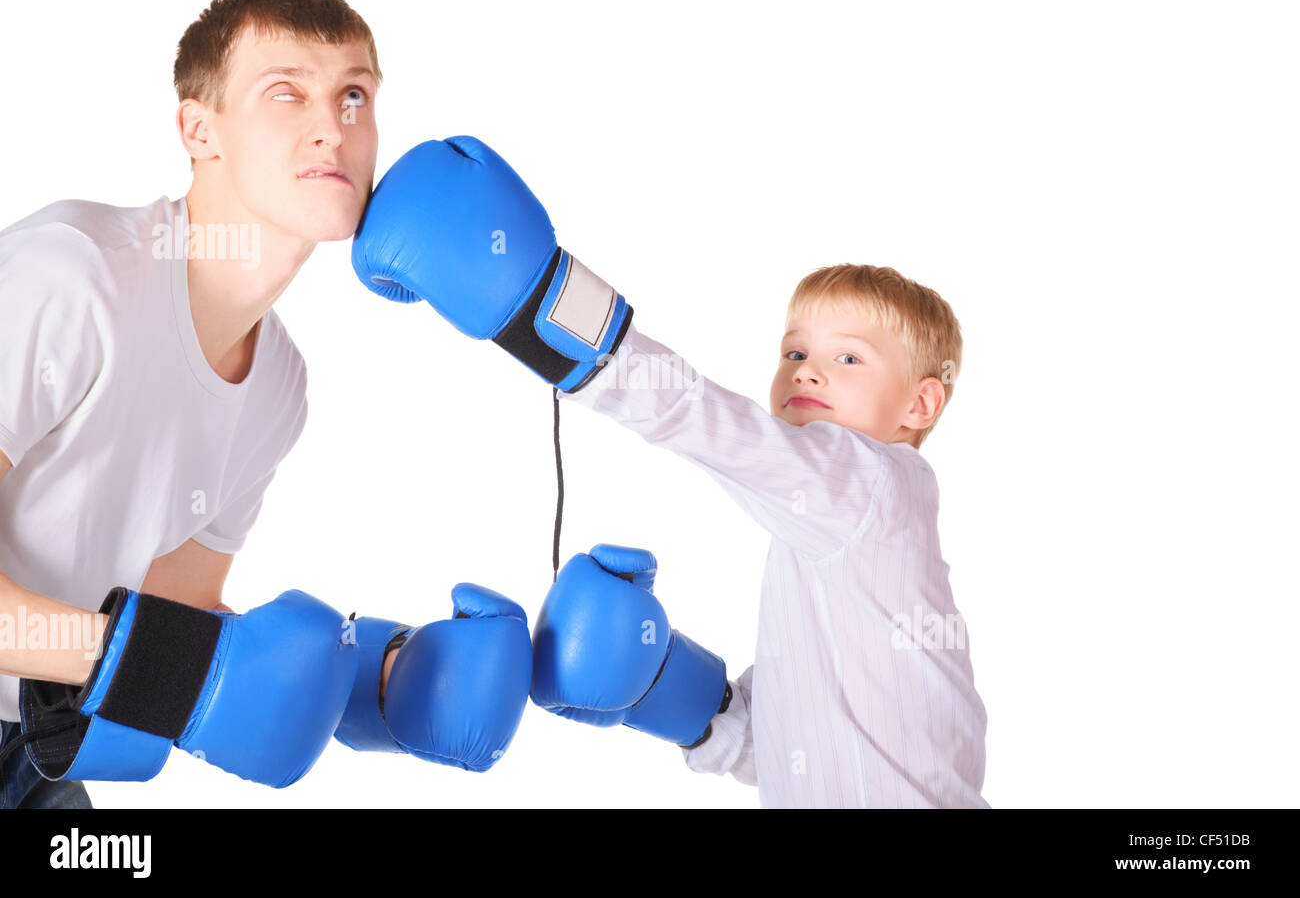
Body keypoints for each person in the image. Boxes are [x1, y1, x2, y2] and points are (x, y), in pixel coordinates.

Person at [0, 0, 531, 809]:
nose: (334, 126)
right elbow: (161, 658)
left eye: (354, 94)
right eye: (285, 90)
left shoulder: (278, 383)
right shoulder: (72, 277)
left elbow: (175, 611)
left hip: (37, 745)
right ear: (197, 129)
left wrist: (377, 685)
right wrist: (160, 670)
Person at [349, 137, 990, 807]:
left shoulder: (874, 487)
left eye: (849, 359)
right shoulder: (829, 538)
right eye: (794, 350)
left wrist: (544, 305)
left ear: (919, 404)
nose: (806, 369)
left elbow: (704, 420)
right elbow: (780, 751)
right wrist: (669, 690)